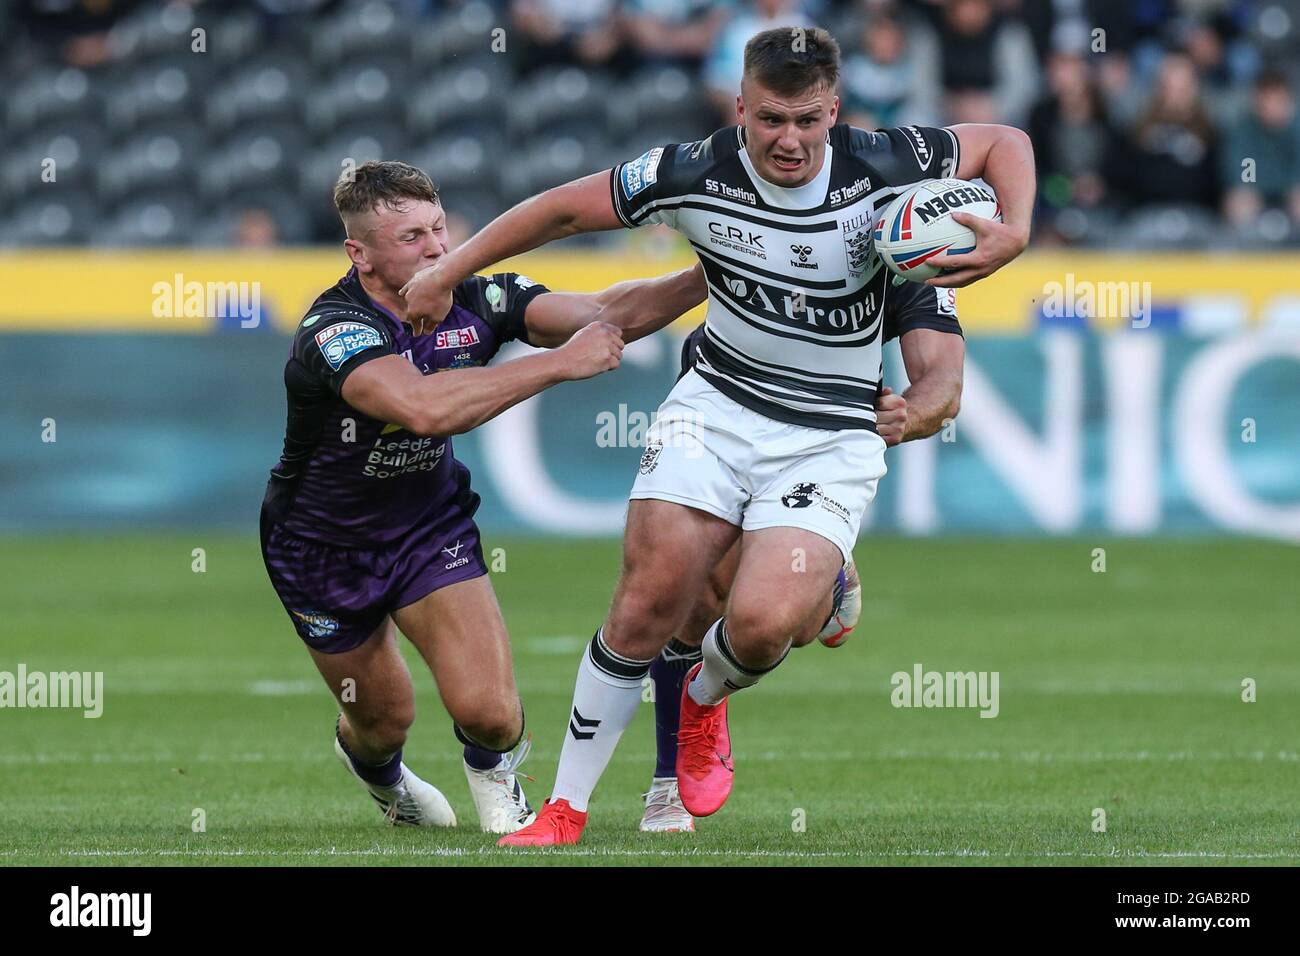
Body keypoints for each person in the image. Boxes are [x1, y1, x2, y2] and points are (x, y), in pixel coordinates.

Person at [403, 27, 1034, 846]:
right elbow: (561, 208)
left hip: (830, 437)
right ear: (741, 108)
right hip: (716, 410)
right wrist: (448, 270)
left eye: (808, 120)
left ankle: (704, 697)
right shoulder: (693, 172)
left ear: (834, 112)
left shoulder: (891, 182)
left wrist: (1013, 232)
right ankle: (563, 812)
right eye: (771, 119)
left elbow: (1006, 142)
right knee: (648, 602)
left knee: (766, 623)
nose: (790, 139)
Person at [260, 160, 704, 834]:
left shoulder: (480, 297)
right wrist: (558, 364)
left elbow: (607, 312)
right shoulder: (334, 328)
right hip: (322, 549)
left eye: (439, 228)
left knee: (491, 714)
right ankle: (382, 777)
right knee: (384, 721)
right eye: (411, 237)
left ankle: (497, 776)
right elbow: (422, 408)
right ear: (361, 253)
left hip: (426, 529)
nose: (437, 247)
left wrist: (715, 274)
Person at [639, 276, 965, 832]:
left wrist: (909, 414)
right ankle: (669, 781)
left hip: (821, 433)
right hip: (724, 398)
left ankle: (823, 579)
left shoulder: (906, 236)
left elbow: (943, 384)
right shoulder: (767, 201)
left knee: (777, 625)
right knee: (688, 592)